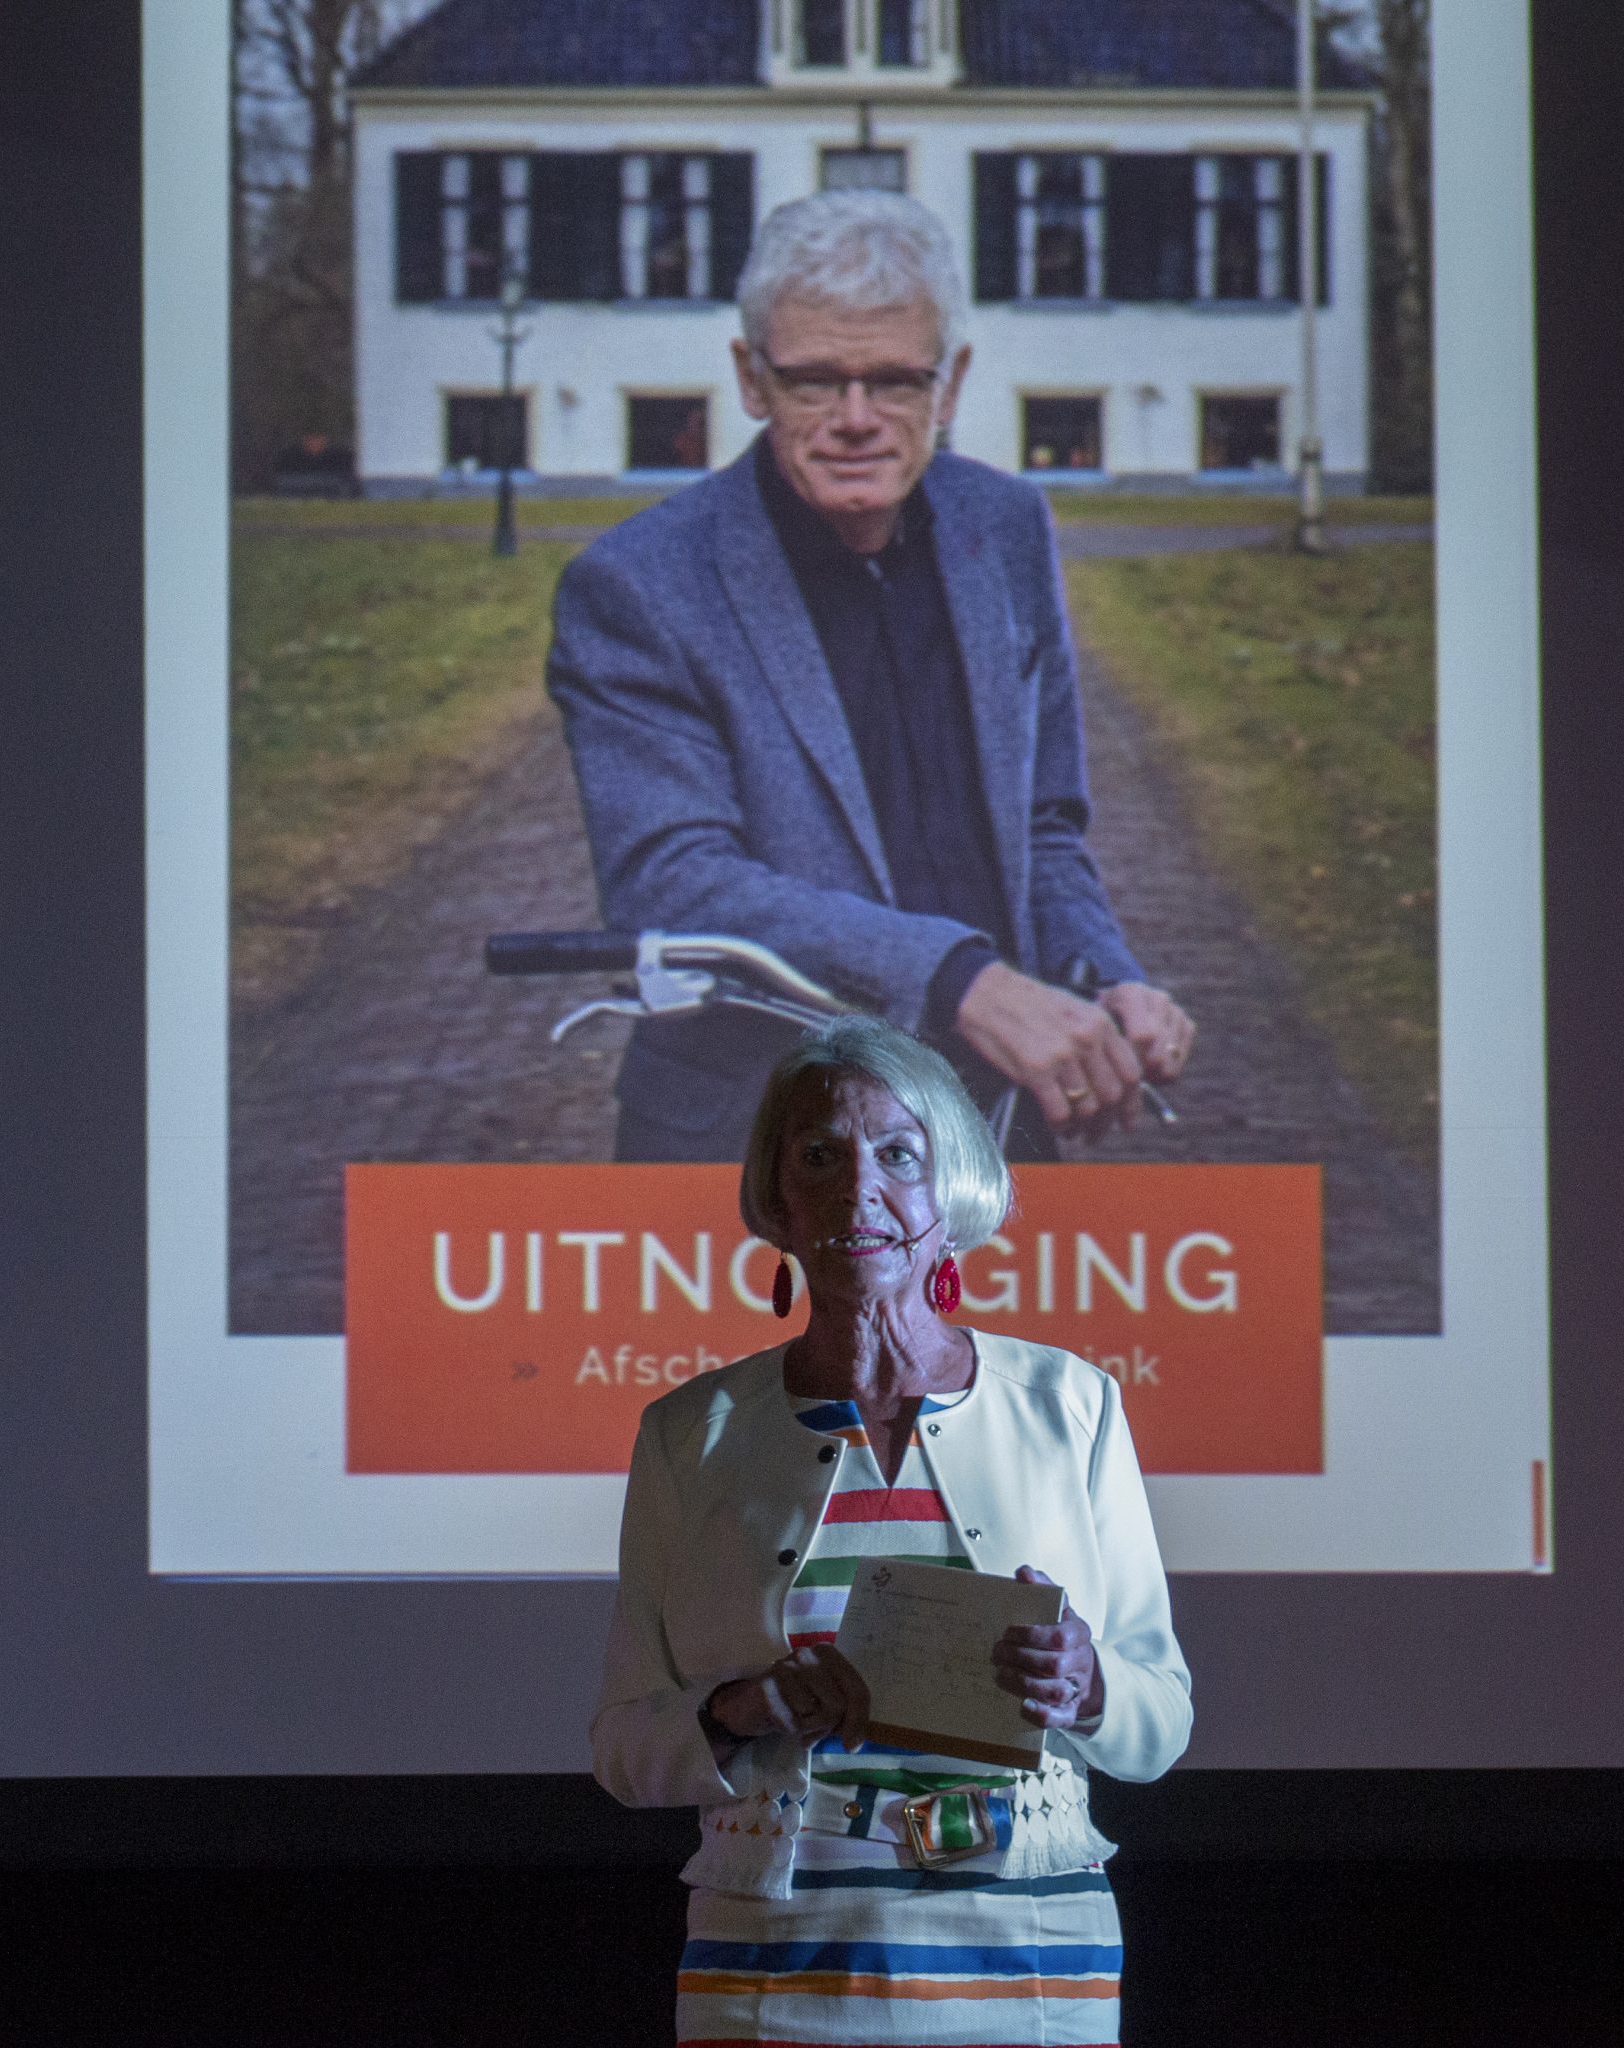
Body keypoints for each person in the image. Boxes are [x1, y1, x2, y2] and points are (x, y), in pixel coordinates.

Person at [546, 191, 1195, 1163]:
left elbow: (1044, 826)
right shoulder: (637, 585)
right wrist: (960, 980)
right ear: (751, 377)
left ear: (953, 381)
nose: (857, 419)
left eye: (895, 381)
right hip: (756, 1142)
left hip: (992, 1127)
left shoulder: (1008, 527)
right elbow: (670, 880)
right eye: (815, 381)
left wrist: (1102, 973)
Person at [590, 1016, 1192, 2045]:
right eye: (819, 1154)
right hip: (772, 1963)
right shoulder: (692, 1432)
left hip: (1031, 1958)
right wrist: (741, 1706)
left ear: (949, 1187)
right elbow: (624, 1748)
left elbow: (1159, 1722)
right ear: (777, 1199)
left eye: (898, 1153)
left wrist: (1086, 1684)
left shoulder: (1071, 1403)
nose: (857, 1186)